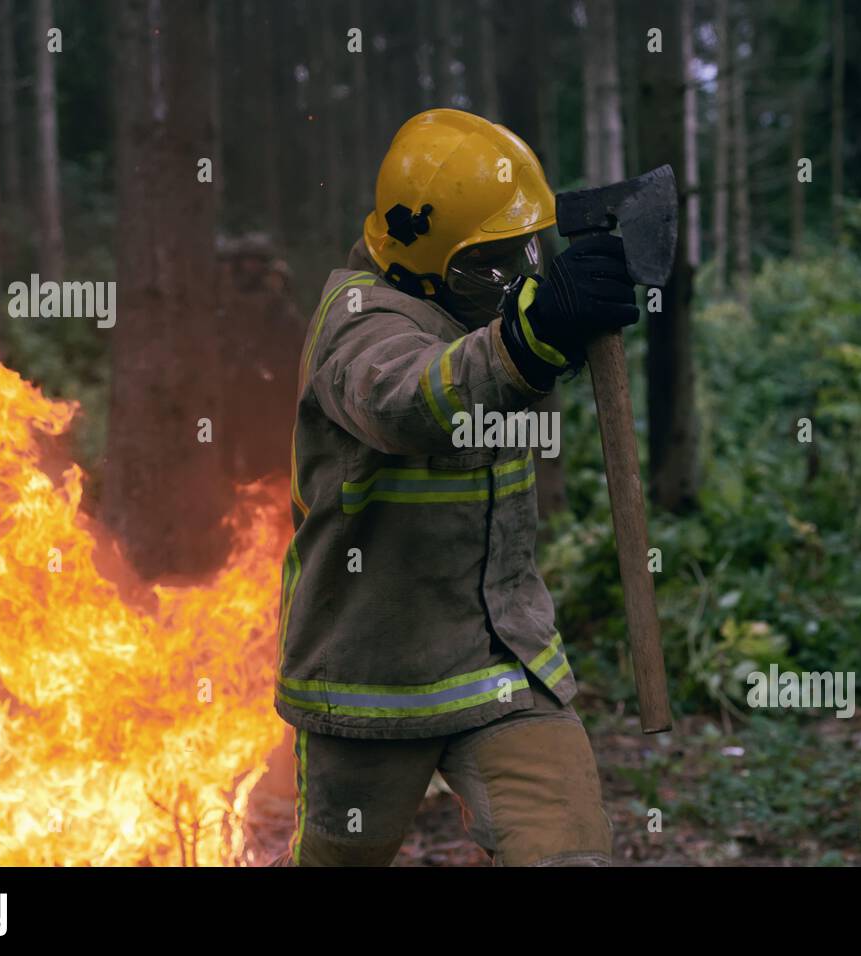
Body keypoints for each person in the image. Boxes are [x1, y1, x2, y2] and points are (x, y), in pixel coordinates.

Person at [270, 108, 639, 866]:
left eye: (530, 252)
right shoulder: (359, 323)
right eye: (496, 263)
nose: (520, 278)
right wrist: (529, 339)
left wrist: (562, 317)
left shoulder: (489, 323)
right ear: (427, 259)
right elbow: (411, 402)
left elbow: (498, 370)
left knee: (571, 854)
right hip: (370, 680)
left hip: (502, 663)